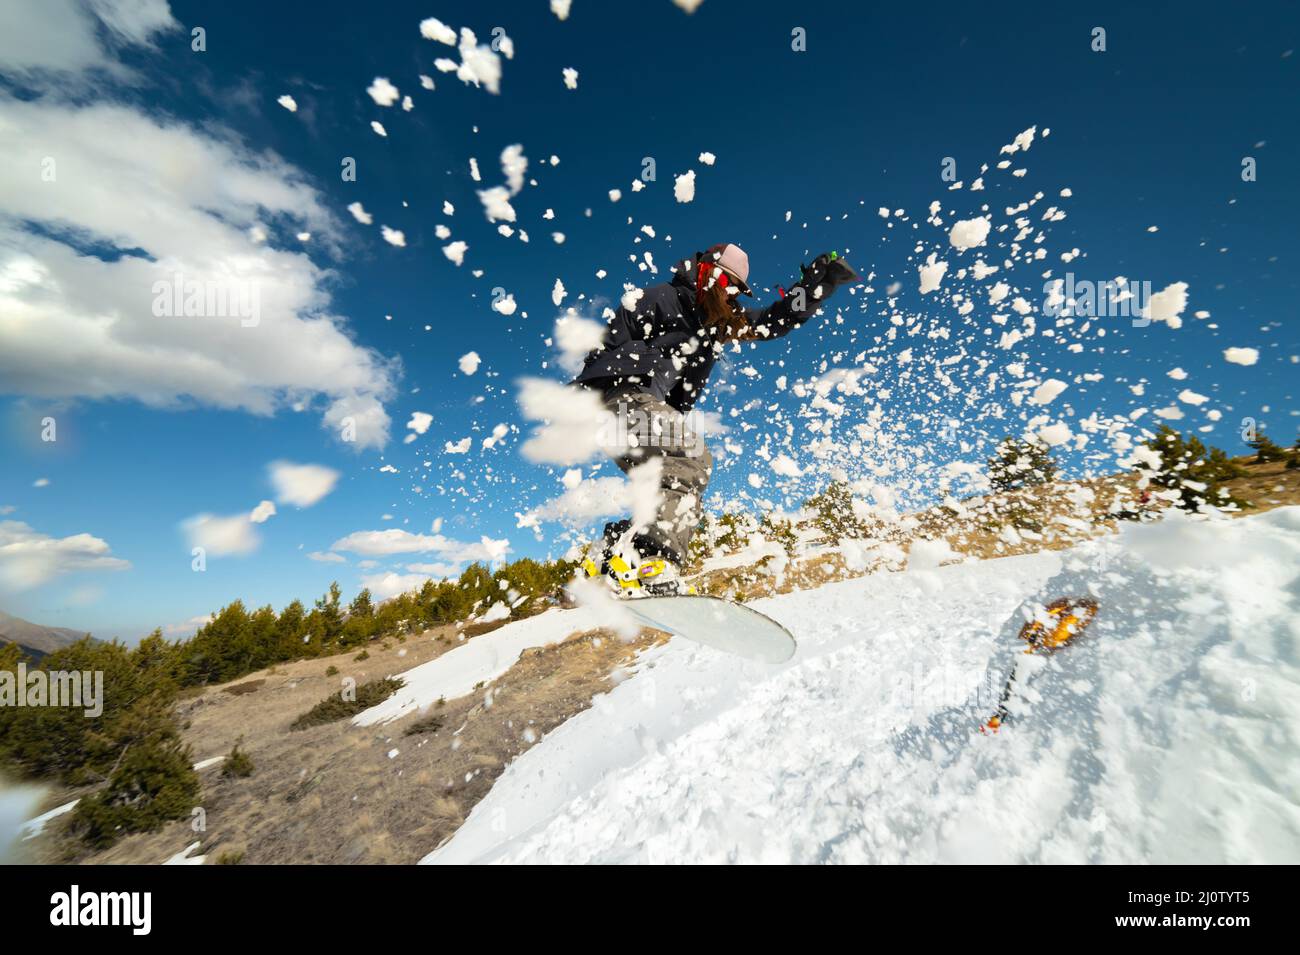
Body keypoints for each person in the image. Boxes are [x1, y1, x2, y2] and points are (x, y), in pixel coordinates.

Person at [572, 242, 858, 596]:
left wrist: (814, 288)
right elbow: (611, 338)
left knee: (674, 480)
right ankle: (652, 560)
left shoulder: (717, 323)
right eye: (731, 282)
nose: (735, 293)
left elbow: (773, 322)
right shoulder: (663, 298)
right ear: (708, 272)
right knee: (690, 458)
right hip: (615, 395)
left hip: (629, 407)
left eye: (740, 289)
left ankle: (613, 555)